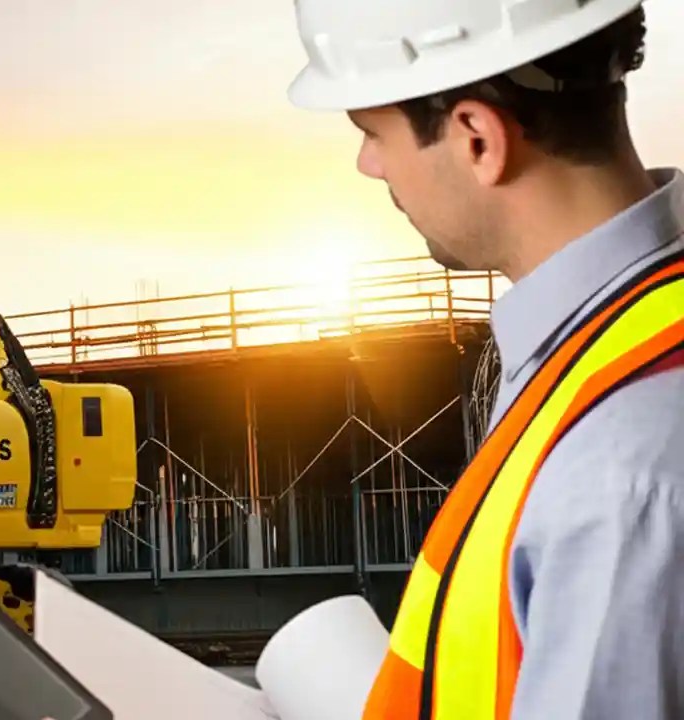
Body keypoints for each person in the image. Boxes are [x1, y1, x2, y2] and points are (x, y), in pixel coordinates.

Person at [287, 1, 684, 719]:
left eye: (372, 131)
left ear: (476, 138)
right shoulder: (610, 344)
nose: (367, 164)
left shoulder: (612, 480)